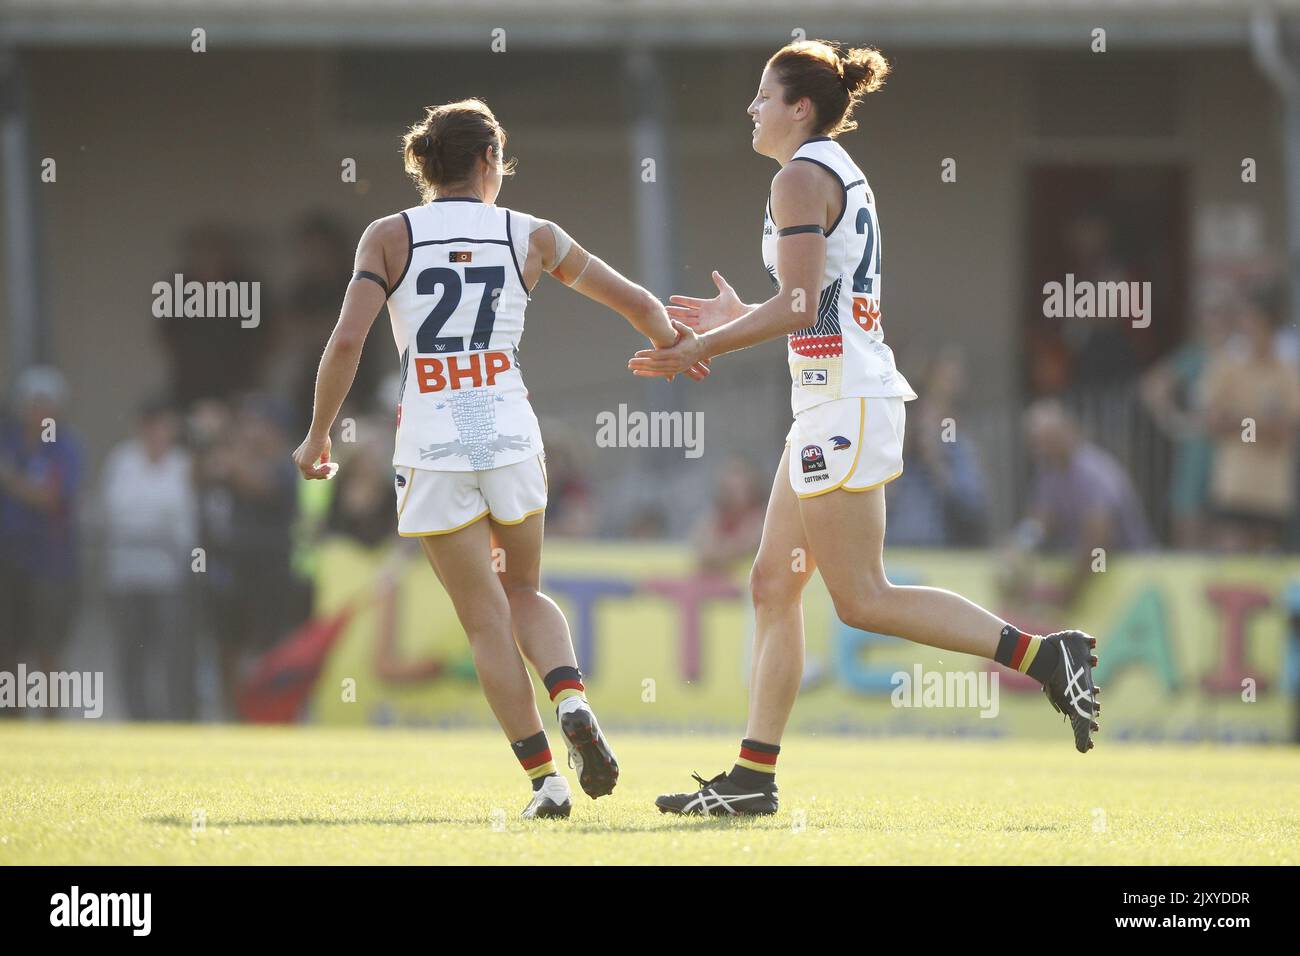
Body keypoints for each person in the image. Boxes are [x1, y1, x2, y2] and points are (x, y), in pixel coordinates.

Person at [629, 40, 1101, 816]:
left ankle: (1046, 657)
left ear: (799, 107)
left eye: (762, 96)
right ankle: (753, 778)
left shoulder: (800, 176)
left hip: (843, 401)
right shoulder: (825, 171)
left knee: (862, 598)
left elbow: (799, 306)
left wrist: (708, 344)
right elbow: (814, 304)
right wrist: (740, 315)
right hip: (834, 399)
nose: (751, 109)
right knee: (772, 584)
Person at [291, 98, 708, 819]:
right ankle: (570, 695)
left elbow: (349, 342)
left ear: (428, 164)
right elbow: (635, 300)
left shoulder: (389, 237)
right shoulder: (532, 235)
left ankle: (546, 783)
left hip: (434, 443)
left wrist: (318, 434)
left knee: (484, 621)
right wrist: (677, 342)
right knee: (522, 593)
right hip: (511, 434)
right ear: (490, 162)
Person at [100, 398, 198, 720]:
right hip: (127, 575)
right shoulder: (121, 462)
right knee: (131, 653)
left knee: (174, 654)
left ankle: (176, 718)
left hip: (169, 578)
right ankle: (136, 718)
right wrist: (158, 521)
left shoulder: (182, 464)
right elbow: (118, 513)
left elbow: (185, 521)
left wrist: (154, 521)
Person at [0, 367, 83, 712]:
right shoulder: (10, 441)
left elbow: (50, 498)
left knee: (47, 646)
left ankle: (52, 718)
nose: (40, 412)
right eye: (34, 404)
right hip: (8, 558)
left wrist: (11, 481)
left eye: (46, 404)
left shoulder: (65, 447)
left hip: (50, 561)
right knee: (8, 646)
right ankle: (10, 717)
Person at [1202, 282, 1300, 552]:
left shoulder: (1286, 373)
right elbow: (1211, 422)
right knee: (1232, 568)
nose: (1246, 328)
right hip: (1233, 486)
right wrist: (1261, 423)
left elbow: (1287, 432)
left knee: (1265, 575)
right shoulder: (1227, 367)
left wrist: (1240, 420)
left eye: (1252, 320)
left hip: (1272, 493)